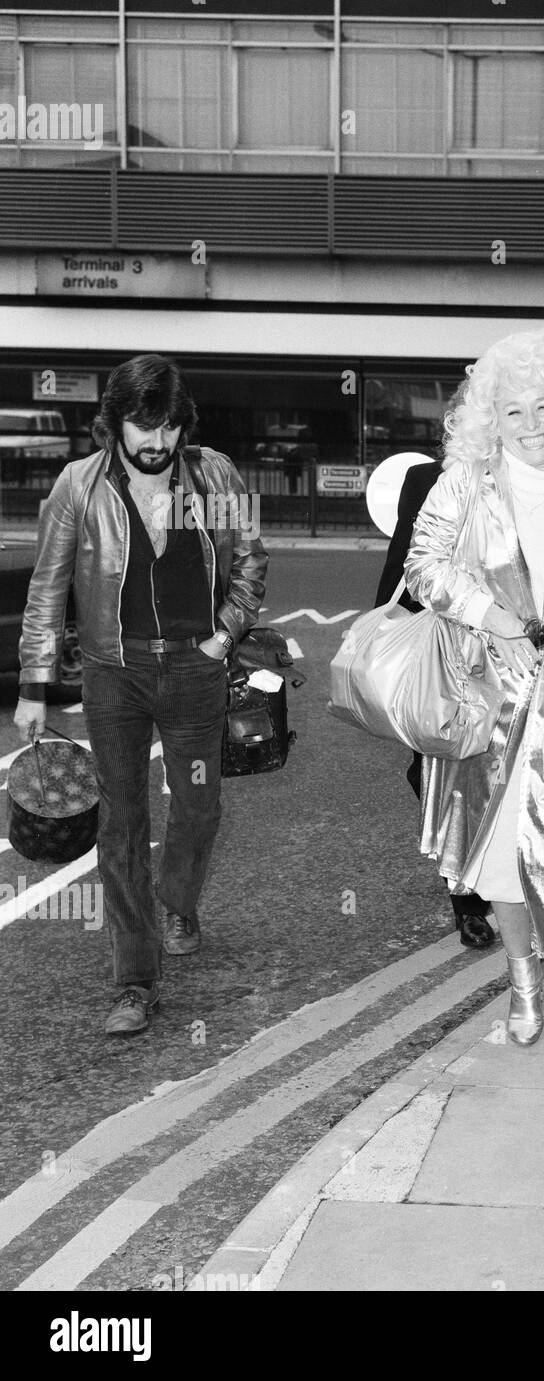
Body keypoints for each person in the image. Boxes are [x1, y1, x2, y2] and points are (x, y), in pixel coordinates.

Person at [15, 354, 268, 1036]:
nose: (155, 443)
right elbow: (48, 587)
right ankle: (135, 979)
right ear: (115, 424)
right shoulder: (79, 486)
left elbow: (249, 558)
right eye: (141, 426)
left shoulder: (214, 475)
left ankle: (177, 897)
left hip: (194, 670)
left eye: (167, 428)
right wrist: (36, 684)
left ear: (183, 425)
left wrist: (225, 634)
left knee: (199, 804)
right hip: (114, 675)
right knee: (120, 823)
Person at [404, 330, 544, 1089]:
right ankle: (522, 980)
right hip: (489, 706)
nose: (531, 424)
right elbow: (421, 565)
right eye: (512, 412)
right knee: (500, 867)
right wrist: (499, 621)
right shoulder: (465, 486)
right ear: (488, 421)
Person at [374, 431, 495, 950]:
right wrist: (384, 630)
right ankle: (466, 899)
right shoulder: (426, 480)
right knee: (444, 769)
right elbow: (403, 561)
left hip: (512, 651)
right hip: (442, 654)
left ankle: (508, 879)